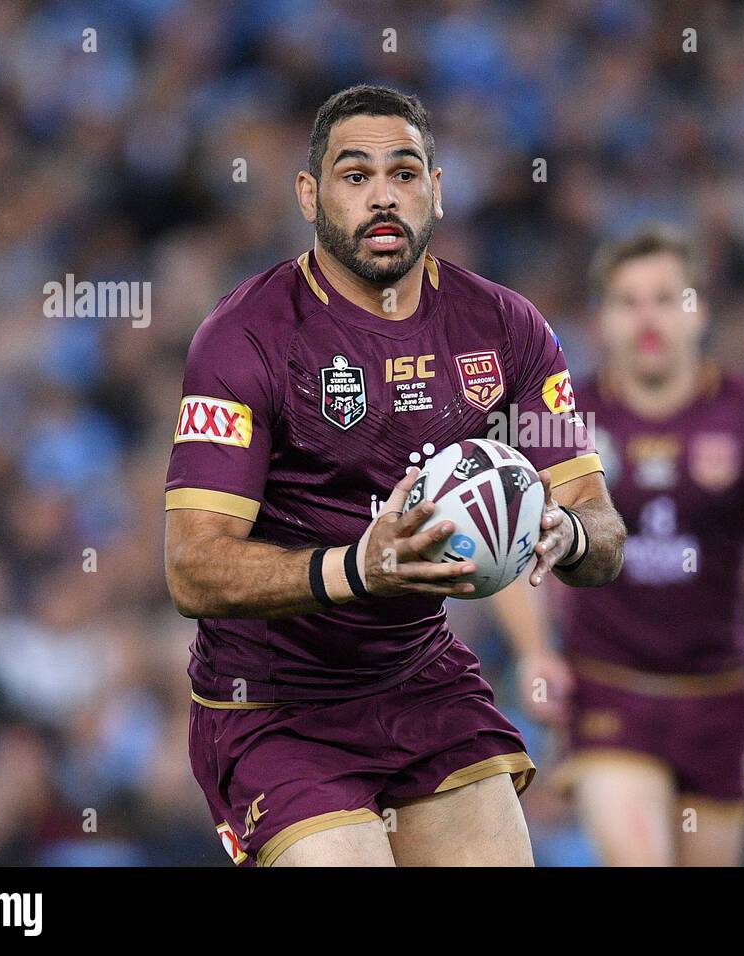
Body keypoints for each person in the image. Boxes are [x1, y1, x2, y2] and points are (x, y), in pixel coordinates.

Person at [163, 84, 625, 867]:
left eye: (405, 173)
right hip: (274, 705)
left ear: (437, 191)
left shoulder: (507, 329)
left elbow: (603, 526)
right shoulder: (245, 337)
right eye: (355, 175)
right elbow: (191, 568)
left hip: (420, 682)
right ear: (310, 194)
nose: (383, 196)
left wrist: (566, 532)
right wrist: (357, 567)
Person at [492, 225, 744, 865]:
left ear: (700, 312)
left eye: (666, 298)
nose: (648, 318)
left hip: (719, 699)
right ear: (602, 318)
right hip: (609, 693)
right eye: (628, 301)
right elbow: (501, 536)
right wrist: (532, 651)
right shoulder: (562, 419)